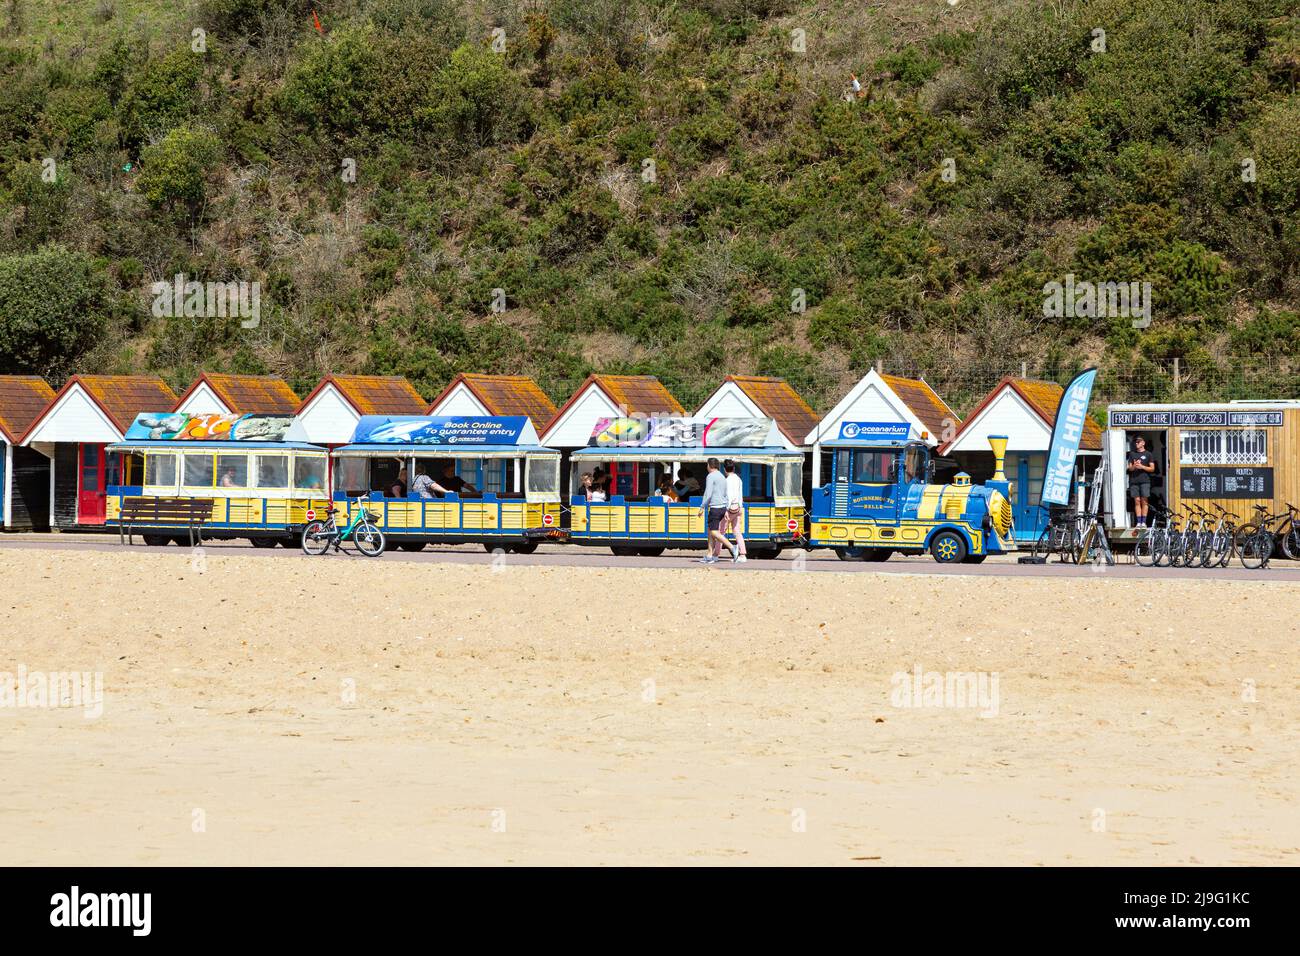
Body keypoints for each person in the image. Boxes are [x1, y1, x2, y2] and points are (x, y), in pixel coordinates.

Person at [699, 457, 734, 564]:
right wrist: (727, 508)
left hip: (715, 507)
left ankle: (732, 547)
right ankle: (710, 555)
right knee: (710, 530)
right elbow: (726, 494)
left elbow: (708, 493)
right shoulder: (722, 476)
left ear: (709, 466)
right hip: (722, 507)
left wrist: (702, 506)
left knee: (714, 531)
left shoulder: (710, 476)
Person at [720, 459, 747, 563]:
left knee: (721, 532)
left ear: (724, 469)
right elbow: (739, 495)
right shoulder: (739, 479)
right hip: (738, 509)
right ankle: (743, 554)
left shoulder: (727, 481)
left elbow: (729, 497)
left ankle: (715, 554)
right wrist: (740, 506)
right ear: (734, 468)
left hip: (730, 509)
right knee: (737, 532)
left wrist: (726, 509)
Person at [1127, 435, 1156, 527]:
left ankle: (1144, 522)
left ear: (1143, 443)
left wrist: (1142, 467)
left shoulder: (1148, 454)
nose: (1136, 443)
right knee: (1137, 501)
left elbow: (1152, 468)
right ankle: (1138, 522)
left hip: (1145, 481)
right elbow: (1129, 469)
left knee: (1144, 501)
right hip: (1134, 481)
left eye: (1138, 442)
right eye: (1135, 442)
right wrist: (1134, 466)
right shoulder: (1132, 454)